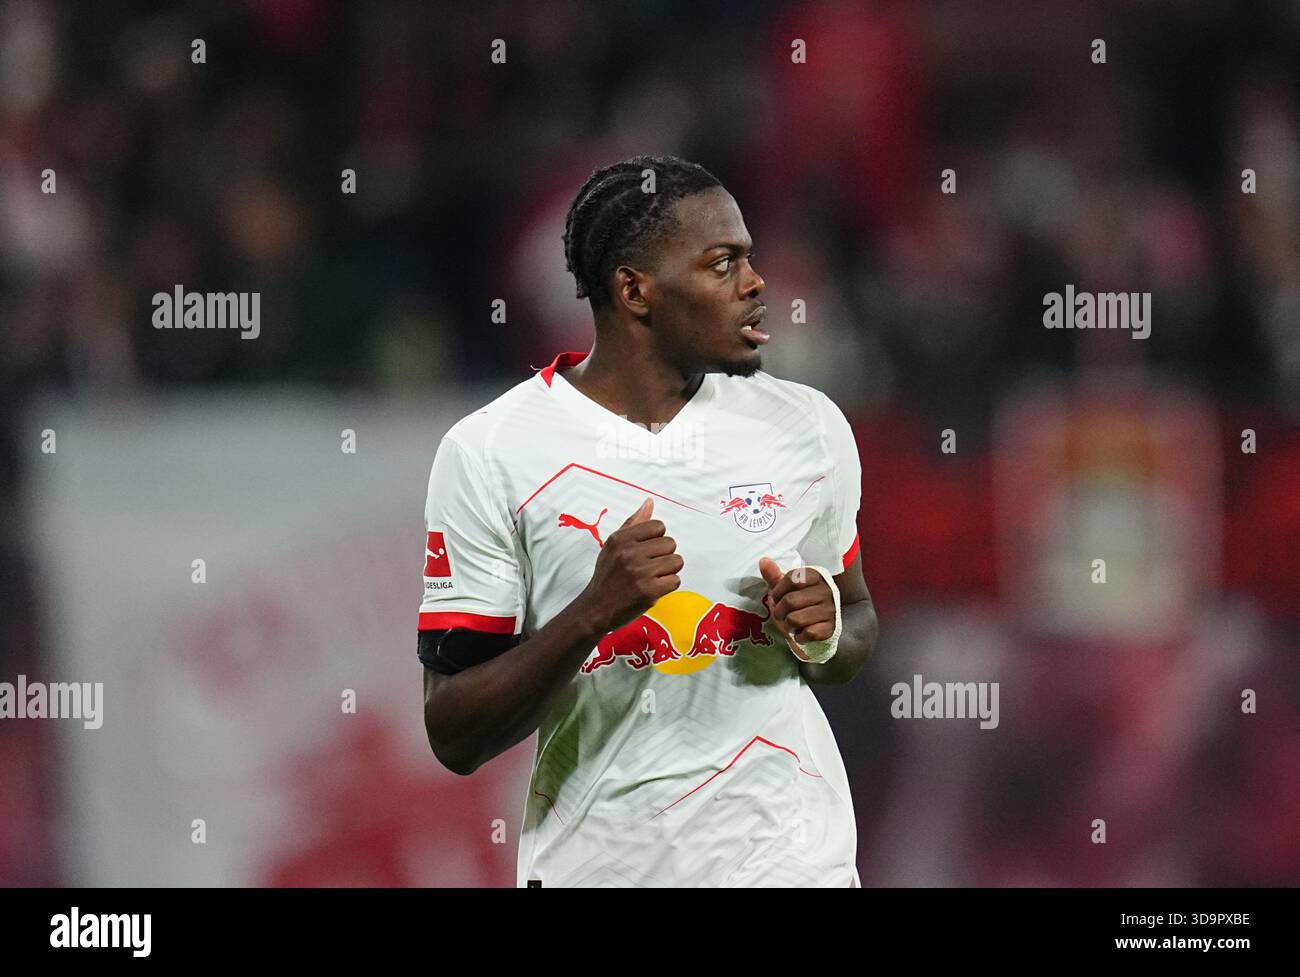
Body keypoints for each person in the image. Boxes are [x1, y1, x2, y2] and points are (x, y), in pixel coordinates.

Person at [418, 154, 879, 887]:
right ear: (634, 289)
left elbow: (855, 623)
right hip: (602, 865)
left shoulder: (808, 428)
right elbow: (453, 729)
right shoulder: (491, 452)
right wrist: (591, 612)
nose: (756, 283)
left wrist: (824, 623)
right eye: (722, 263)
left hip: (790, 860)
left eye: (749, 259)